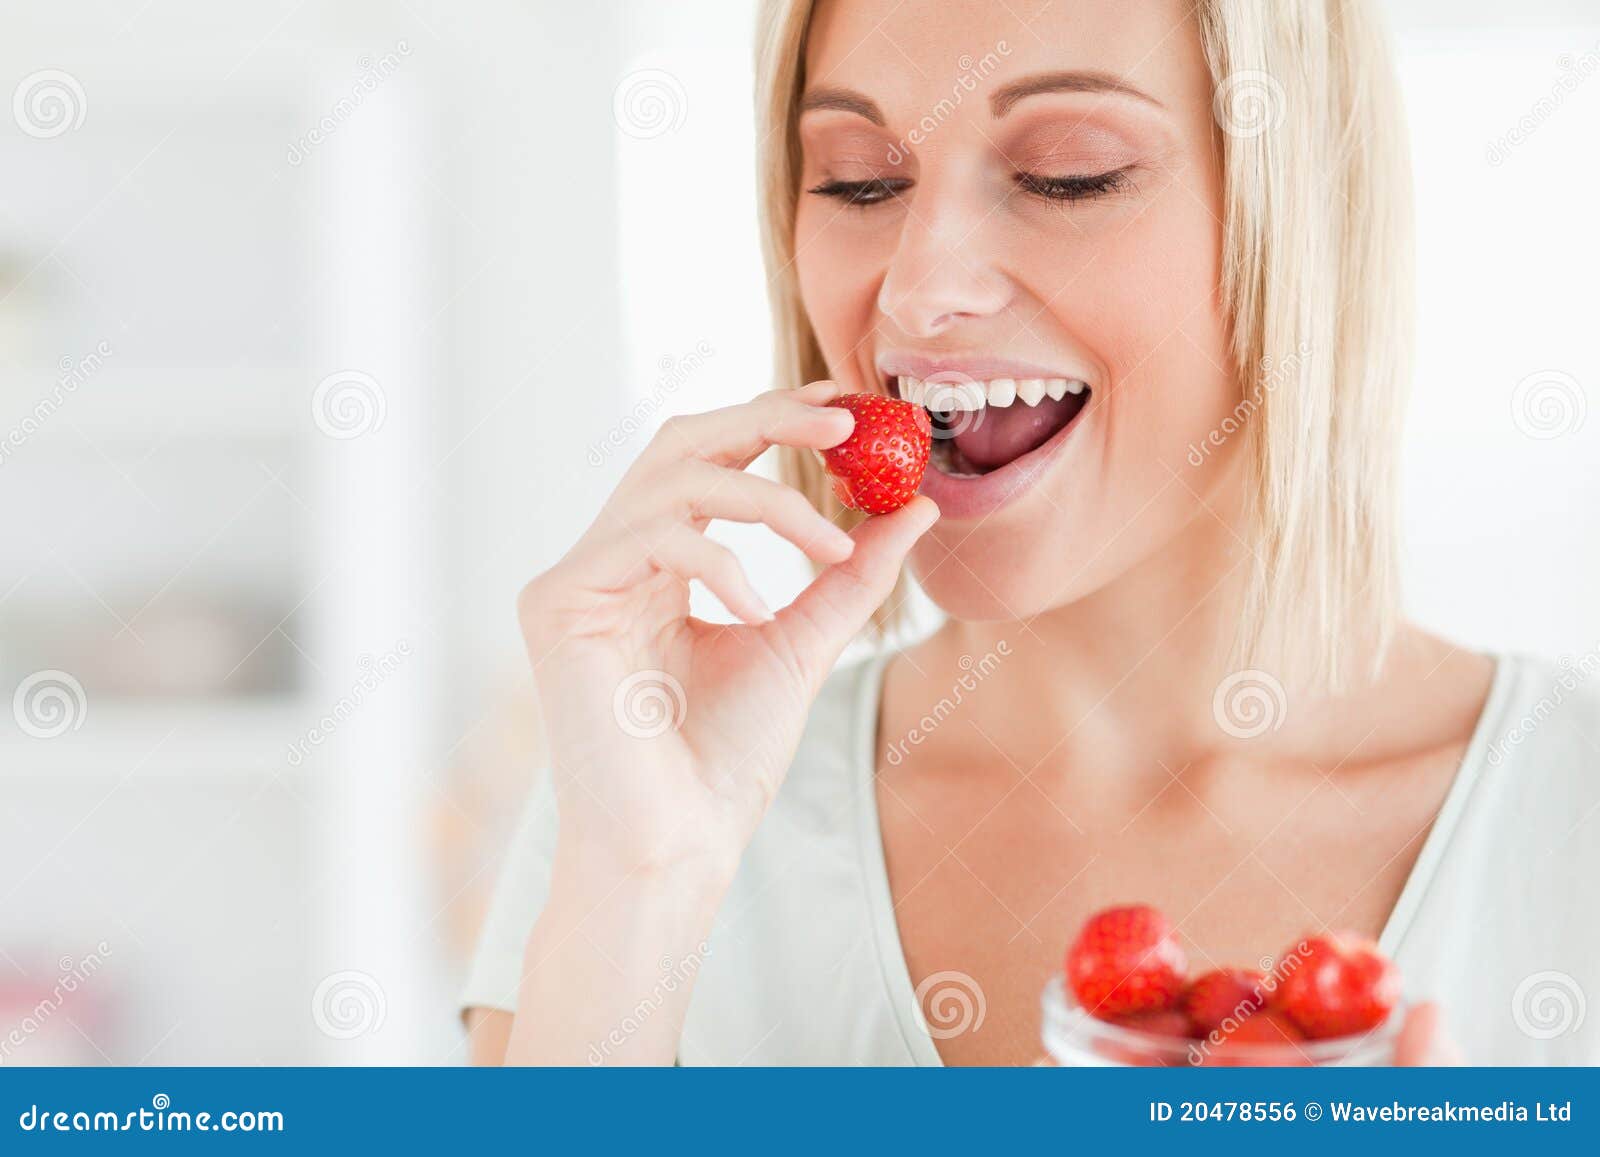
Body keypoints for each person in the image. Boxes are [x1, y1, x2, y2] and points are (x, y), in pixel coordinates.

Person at [461, 0, 1599, 1065]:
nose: (917, 291)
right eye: (859, 183)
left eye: (1068, 176)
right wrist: (641, 883)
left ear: (1297, 214)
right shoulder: (649, 801)